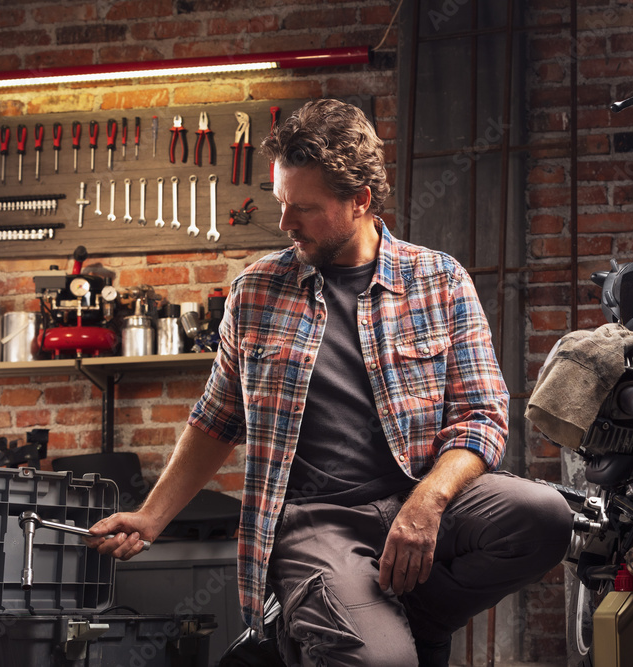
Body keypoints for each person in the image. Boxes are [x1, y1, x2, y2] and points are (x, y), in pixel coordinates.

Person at [88, 98, 573, 667]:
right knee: (383, 664)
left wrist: (428, 503)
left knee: (545, 517)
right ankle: (356, 624)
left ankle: (418, 616)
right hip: (317, 523)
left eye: (305, 209)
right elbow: (218, 420)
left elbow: (483, 417)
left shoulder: (440, 280)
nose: (285, 223)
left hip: (418, 496)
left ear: (360, 200)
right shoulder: (257, 292)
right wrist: (151, 517)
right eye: (281, 204)